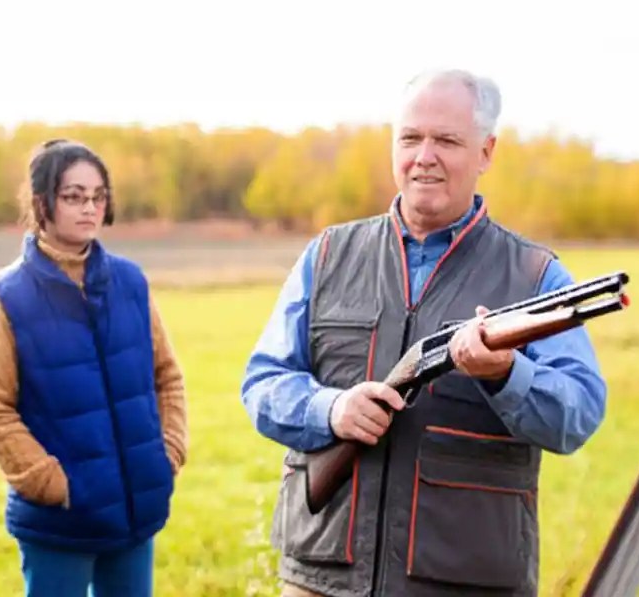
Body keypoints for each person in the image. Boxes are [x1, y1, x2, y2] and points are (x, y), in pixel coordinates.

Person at [239, 69, 607, 597]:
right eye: (411, 138)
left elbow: (578, 414)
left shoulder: (536, 276)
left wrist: (507, 374)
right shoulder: (327, 256)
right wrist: (331, 410)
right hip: (322, 578)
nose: (424, 156)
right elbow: (262, 384)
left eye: (447, 140)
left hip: (466, 580)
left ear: (486, 152)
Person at [0, 138, 188, 597]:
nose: (88, 207)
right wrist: (51, 484)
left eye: (98, 196)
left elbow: (166, 376)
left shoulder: (130, 282)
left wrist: (166, 454)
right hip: (59, 522)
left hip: (135, 508)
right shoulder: (8, 299)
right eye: (73, 196)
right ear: (41, 202)